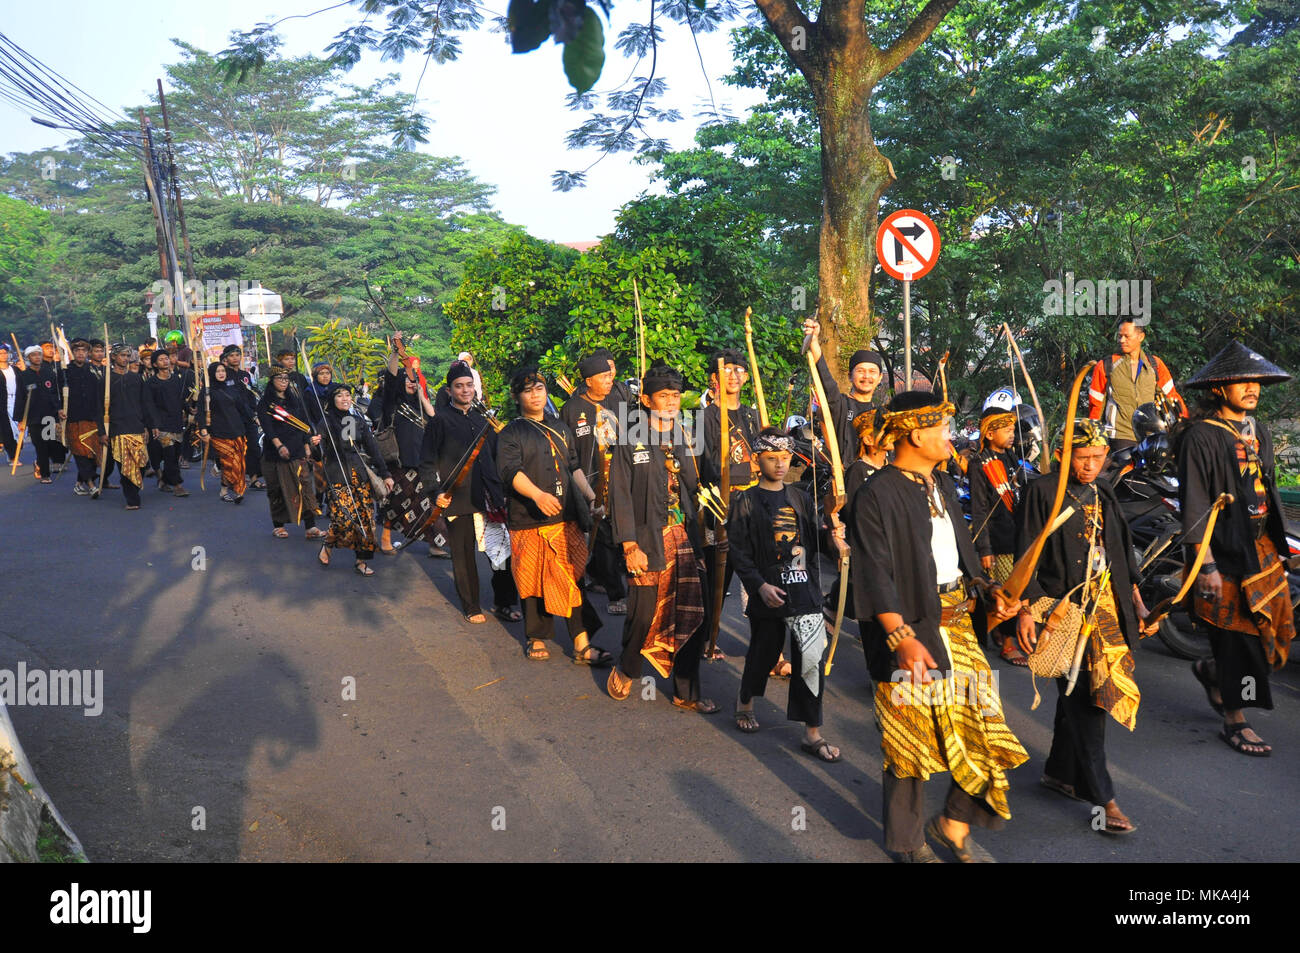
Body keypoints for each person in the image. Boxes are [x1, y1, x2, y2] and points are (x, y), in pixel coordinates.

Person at [850, 390, 1028, 862]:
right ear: (916, 433)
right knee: (910, 740)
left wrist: (988, 591)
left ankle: (952, 820)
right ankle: (909, 845)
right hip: (906, 632)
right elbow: (873, 571)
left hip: (959, 624)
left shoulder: (944, 483)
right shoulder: (875, 494)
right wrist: (900, 637)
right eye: (944, 429)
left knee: (984, 726)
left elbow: (960, 554)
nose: (952, 437)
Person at [1016, 418, 1143, 834]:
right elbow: (1026, 555)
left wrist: (1135, 595)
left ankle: (1059, 772)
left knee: (1081, 695)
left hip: (1104, 605)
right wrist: (1027, 610)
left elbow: (1120, 546)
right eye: (1081, 457)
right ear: (1063, 455)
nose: (1090, 465)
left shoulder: (1104, 489)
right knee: (1089, 698)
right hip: (1064, 608)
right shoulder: (1041, 492)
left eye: (1097, 458)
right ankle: (1102, 797)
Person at [1174, 341, 1295, 757]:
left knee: (1272, 632)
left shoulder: (1258, 430)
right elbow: (1193, 502)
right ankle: (1235, 720)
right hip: (1221, 553)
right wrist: (1203, 565)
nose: (1252, 388)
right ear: (1219, 388)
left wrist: (1279, 544)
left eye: (1256, 382)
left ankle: (1211, 672)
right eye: (1242, 381)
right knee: (1237, 639)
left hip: (1259, 548)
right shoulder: (1200, 437)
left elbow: (1269, 489)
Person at [605, 362, 718, 714]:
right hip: (645, 538)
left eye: (675, 395)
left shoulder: (685, 434)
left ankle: (687, 690)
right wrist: (629, 544)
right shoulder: (630, 436)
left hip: (684, 536)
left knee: (692, 611)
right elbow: (619, 494)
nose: (670, 402)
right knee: (643, 612)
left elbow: (698, 483)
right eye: (663, 396)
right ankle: (627, 667)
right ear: (648, 400)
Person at [730, 428, 840, 762]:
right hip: (768, 589)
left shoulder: (801, 497)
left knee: (810, 661)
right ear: (757, 460)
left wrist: (835, 533)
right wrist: (759, 586)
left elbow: (816, 537)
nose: (780, 464)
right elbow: (739, 551)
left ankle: (812, 732)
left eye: (786, 458)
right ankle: (745, 702)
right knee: (763, 653)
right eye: (772, 458)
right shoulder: (745, 501)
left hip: (803, 588)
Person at [496, 367, 609, 663]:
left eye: (540, 389)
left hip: (566, 516)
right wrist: (537, 495)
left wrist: (592, 497)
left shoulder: (560, 427)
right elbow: (510, 473)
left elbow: (574, 467)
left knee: (572, 578)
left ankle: (581, 644)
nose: (536, 395)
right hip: (529, 518)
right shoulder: (511, 433)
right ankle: (535, 637)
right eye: (528, 390)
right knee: (532, 580)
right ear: (517, 396)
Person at [419, 361, 512, 623]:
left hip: (490, 496)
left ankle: (504, 603)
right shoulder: (439, 421)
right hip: (457, 497)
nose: (465, 390)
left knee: (501, 554)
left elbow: (497, 456)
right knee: (463, 555)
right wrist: (434, 491)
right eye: (459, 386)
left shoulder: (484, 419)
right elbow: (427, 461)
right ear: (449, 391)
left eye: (469, 385)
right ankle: (471, 606)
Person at [560, 352, 627, 614]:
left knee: (609, 537)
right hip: (585, 483)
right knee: (587, 537)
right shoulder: (572, 408)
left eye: (610, 375)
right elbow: (568, 451)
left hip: (615, 479)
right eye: (603, 376)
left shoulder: (617, 402)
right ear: (588, 381)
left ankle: (616, 594)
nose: (609, 380)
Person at [969, 401, 1028, 665]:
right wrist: (985, 549)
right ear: (989, 434)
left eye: (1012, 429)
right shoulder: (979, 464)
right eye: (1005, 429)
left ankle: (995, 634)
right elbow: (979, 509)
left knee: (1012, 590)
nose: (1012, 433)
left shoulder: (1011, 456)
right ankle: (1007, 642)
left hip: (1015, 535)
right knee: (1005, 593)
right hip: (997, 538)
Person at [315, 384, 393, 575]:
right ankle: (328, 546)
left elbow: (373, 448)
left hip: (359, 474)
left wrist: (386, 474)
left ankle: (361, 561)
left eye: (347, 395)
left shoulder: (355, 420)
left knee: (366, 519)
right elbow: (319, 452)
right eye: (339, 396)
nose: (344, 399)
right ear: (332, 400)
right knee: (344, 518)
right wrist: (314, 443)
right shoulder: (325, 421)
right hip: (337, 475)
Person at [1088, 318, 1187, 450]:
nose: (1122, 340)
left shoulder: (1155, 365)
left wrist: (1186, 427)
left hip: (1152, 436)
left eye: (1127, 336)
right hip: (1119, 436)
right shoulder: (1106, 365)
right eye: (1119, 336)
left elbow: (1172, 397)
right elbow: (1096, 406)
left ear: (1141, 337)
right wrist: (1093, 440)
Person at [803, 317, 889, 464]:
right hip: (845, 478)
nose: (866, 376)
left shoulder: (881, 413)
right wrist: (814, 341)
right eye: (861, 371)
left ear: (880, 377)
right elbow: (826, 379)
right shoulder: (840, 404)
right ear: (850, 376)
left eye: (872, 371)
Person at [257, 366, 324, 540]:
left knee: (305, 487)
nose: (284, 382)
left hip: (297, 449)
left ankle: (311, 527)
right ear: (272, 381)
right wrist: (279, 446)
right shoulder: (265, 403)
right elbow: (268, 428)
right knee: (277, 489)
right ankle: (278, 526)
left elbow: (302, 425)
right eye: (280, 379)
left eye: (286, 379)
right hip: (275, 453)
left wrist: (307, 445)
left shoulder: (294, 401)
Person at [101, 345, 153, 510]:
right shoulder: (105, 380)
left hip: (137, 426)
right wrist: (102, 432)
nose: (125, 358)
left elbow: (145, 403)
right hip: (117, 428)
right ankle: (132, 499)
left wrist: (148, 426)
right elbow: (98, 408)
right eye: (122, 355)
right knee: (125, 465)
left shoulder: (136, 378)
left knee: (142, 464)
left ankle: (134, 489)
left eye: (127, 355)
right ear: (114, 357)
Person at [200, 362, 254, 504]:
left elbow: (242, 407)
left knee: (239, 462)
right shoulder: (207, 391)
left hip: (237, 429)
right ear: (212, 374)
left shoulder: (232, 388)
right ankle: (232, 489)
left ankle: (231, 490)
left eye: (223, 370)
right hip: (219, 432)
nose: (221, 373)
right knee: (229, 463)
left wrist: (254, 417)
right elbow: (201, 412)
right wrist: (203, 430)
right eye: (217, 371)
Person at [14, 344, 63, 483]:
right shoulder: (24, 375)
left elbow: (54, 394)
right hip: (33, 417)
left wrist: (59, 409)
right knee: (40, 446)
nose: (37, 357)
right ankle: (45, 474)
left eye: (39, 354)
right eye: (34, 355)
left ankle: (39, 464)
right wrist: (20, 419)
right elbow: (20, 397)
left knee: (50, 444)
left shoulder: (49, 373)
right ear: (28, 358)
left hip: (49, 415)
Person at [144, 349, 189, 497]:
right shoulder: (151, 383)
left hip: (176, 421)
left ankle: (163, 480)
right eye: (161, 359)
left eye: (166, 358)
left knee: (176, 454)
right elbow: (149, 405)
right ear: (155, 364)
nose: (165, 361)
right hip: (162, 424)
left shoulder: (177, 379)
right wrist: (154, 425)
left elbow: (182, 399)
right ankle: (177, 485)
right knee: (169, 454)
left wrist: (188, 409)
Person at [63, 339, 104, 494]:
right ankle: (91, 484)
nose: (80, 353)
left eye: (84, 351)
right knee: (80, 451)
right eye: (77, 351)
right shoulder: (65, 371)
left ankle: (80, 482)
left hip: (93, 417)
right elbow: (58, 395)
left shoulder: (93, 371)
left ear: (88, 353)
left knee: (92, 452)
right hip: (73, 418)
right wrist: (60, 410)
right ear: (72, 353)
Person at [222, 345, 265, 490]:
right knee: (235, 450)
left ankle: (254, 478)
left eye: (237, 355)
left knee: (253, 447)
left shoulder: (245, 375)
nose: (235, 358)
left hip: (248, 417)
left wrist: (255, 412)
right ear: (226, 358)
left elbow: (250, 395)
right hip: (232, 418)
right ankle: (234, 479)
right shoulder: (223, 375)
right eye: (232, 355)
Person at [0, 343, 21, 468]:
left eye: (5, 353)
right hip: (3, 404)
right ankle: (13, 456)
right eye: (1, 353)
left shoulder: (15, 369)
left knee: (20, 432)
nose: (3, 355)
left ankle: (15, 452)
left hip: (17, 402)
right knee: (9, 431)